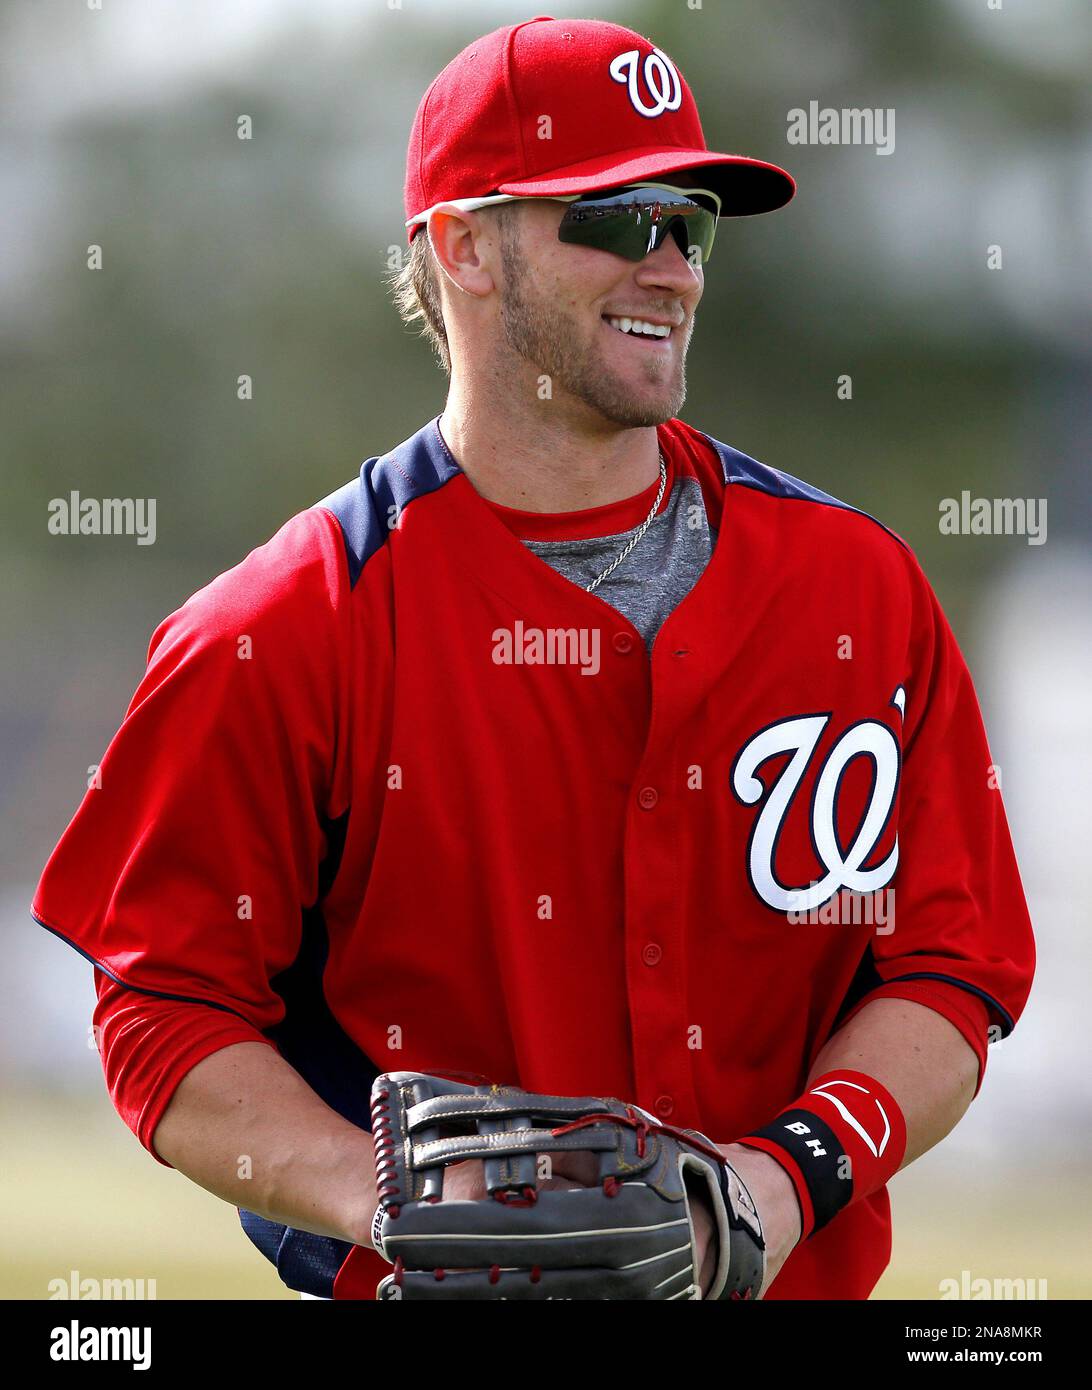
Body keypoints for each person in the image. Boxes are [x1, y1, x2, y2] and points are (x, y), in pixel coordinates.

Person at [33, 16, 1034, 1300]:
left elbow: (949, 967)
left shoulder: (859, 590)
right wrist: (384, 1198)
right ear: (463, 246)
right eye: (616, 219)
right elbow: (159, 1008)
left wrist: (775, 1185)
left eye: (690, 226)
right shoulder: (284, 626)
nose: (670, 269)